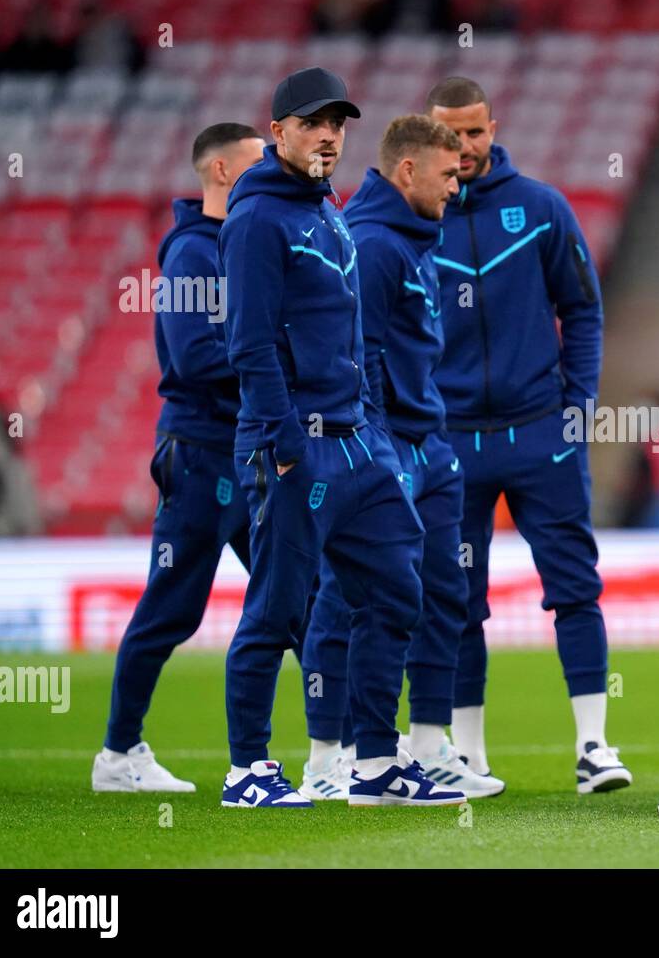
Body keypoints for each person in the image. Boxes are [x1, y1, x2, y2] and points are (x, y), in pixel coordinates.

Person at [219, 67, 458, 809]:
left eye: (339, 123)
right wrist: (288, 444)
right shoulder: (258, 220)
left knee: (396, 592)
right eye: (314, 122)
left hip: (360, 444)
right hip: (296, 445)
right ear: (279, 130)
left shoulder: (326, 211)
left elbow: (352, 334)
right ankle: (248, 770)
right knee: (278, 609)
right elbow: (249, 344)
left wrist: (368, 427)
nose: (328, 135)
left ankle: (377, 762)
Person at [426, 77, 630, 794]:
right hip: (449, 441)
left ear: (492, 126)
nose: (464, 147)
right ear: (428, 137)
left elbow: (584, 309)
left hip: (540, 432)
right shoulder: (413, 218)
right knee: (454, 600)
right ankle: (470, 759)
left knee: (575, 588)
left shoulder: (540, 207)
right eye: (449, 135)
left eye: (474, 132)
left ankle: (595, 748)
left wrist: (576, 406)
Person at [297, 114, 505, 801]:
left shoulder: (413, 238)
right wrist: (380, 449)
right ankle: (329, 757)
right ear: (409, 171)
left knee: (444, 594)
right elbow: (359, 358)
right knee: (345, 598)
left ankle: (425, 745)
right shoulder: (379, 245)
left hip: (429, 444)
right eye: (448, 174)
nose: (458, 185)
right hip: (385, 447)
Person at [92, 123, 265, 794]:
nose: (269, 174)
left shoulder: (240, 245)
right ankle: (118, 752)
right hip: (202, 453)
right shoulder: (195, 254)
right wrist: (274, 360)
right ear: (221, 171)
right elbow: (194, 357)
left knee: (303, 597)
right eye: (255, 165)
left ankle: (346, 745)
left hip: (247, 451)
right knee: (173, 607)